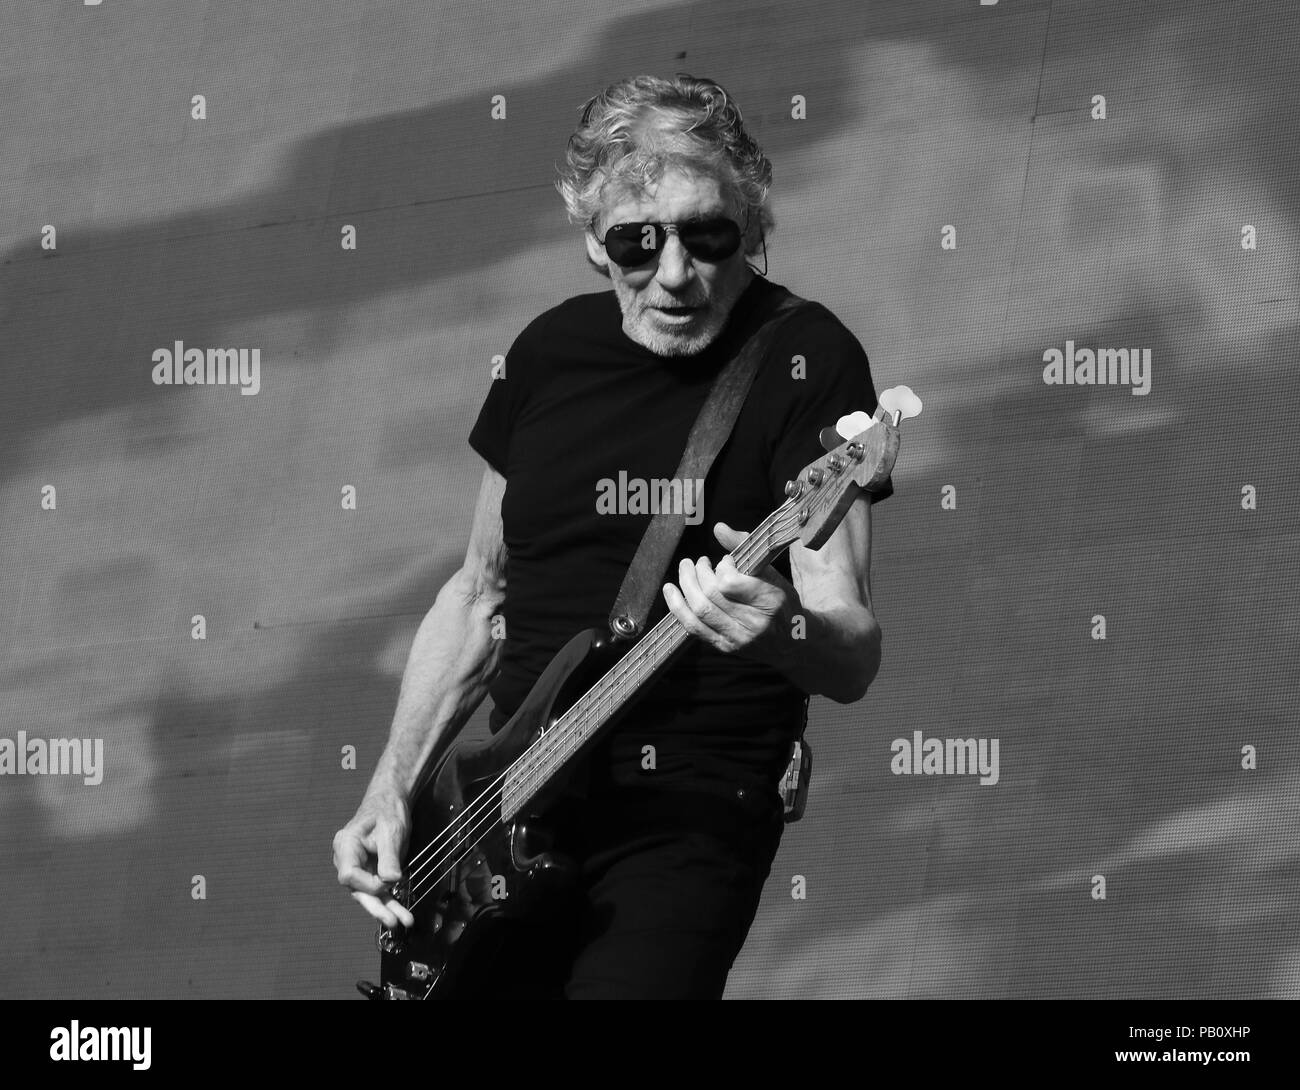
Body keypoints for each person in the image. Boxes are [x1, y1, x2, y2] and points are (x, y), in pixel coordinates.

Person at [333, 73, 892, 999]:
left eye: (708, 235)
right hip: (494, 820)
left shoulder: (809, 359)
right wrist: (390, 792)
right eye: (639, 241)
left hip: (690, 811)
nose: (675, 274)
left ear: (751, 226)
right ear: (594, 242)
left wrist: (781, 626)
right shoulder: (547, 354)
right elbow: (478, 597)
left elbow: (853, 654)